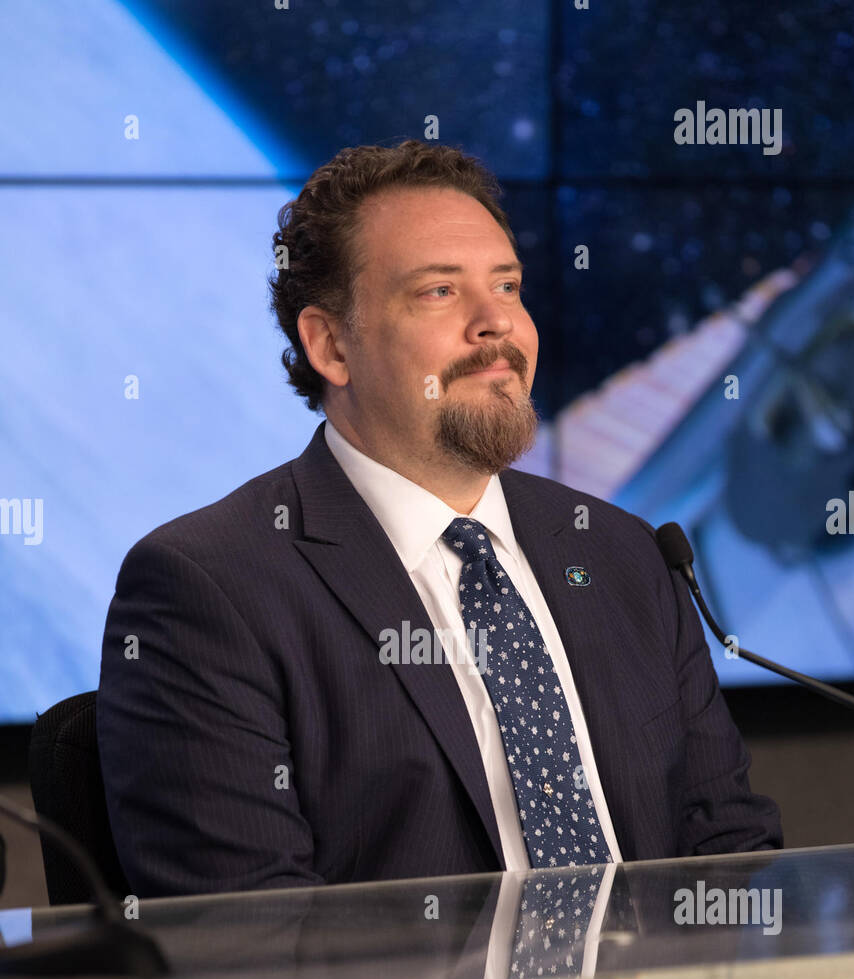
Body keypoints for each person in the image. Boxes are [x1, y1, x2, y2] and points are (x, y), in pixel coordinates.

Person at [97, 140, 781, 898]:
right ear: (331, 345)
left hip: (659, 978)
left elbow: (730, 850)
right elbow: (248, 928)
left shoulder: (625, 553)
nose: (497, 324)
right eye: (439, 292)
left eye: (508, 286)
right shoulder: (211, 588)